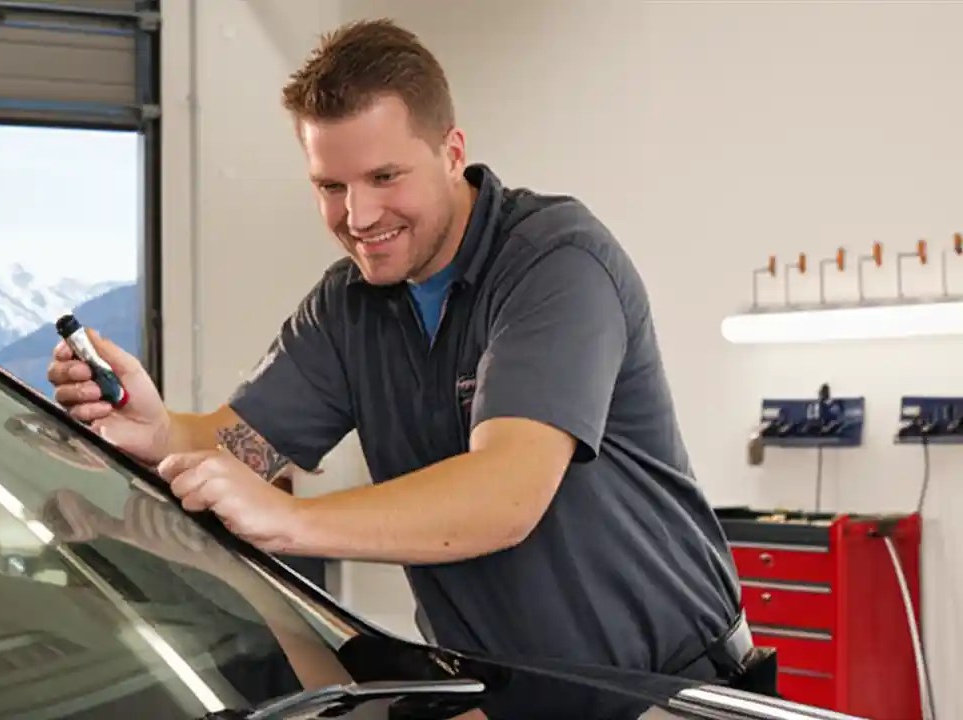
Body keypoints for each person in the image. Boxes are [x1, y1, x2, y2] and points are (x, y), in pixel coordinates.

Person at [49, 17, 764, 718]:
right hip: (500, 695)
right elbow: (245, 449)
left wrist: (288, 521)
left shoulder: (555, 263)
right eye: (331, 186)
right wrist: (160, 430)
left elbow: (506, 495)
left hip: (667, 692)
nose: (358, 215)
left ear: (452, 151)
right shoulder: (348, 307)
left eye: (384, 176)